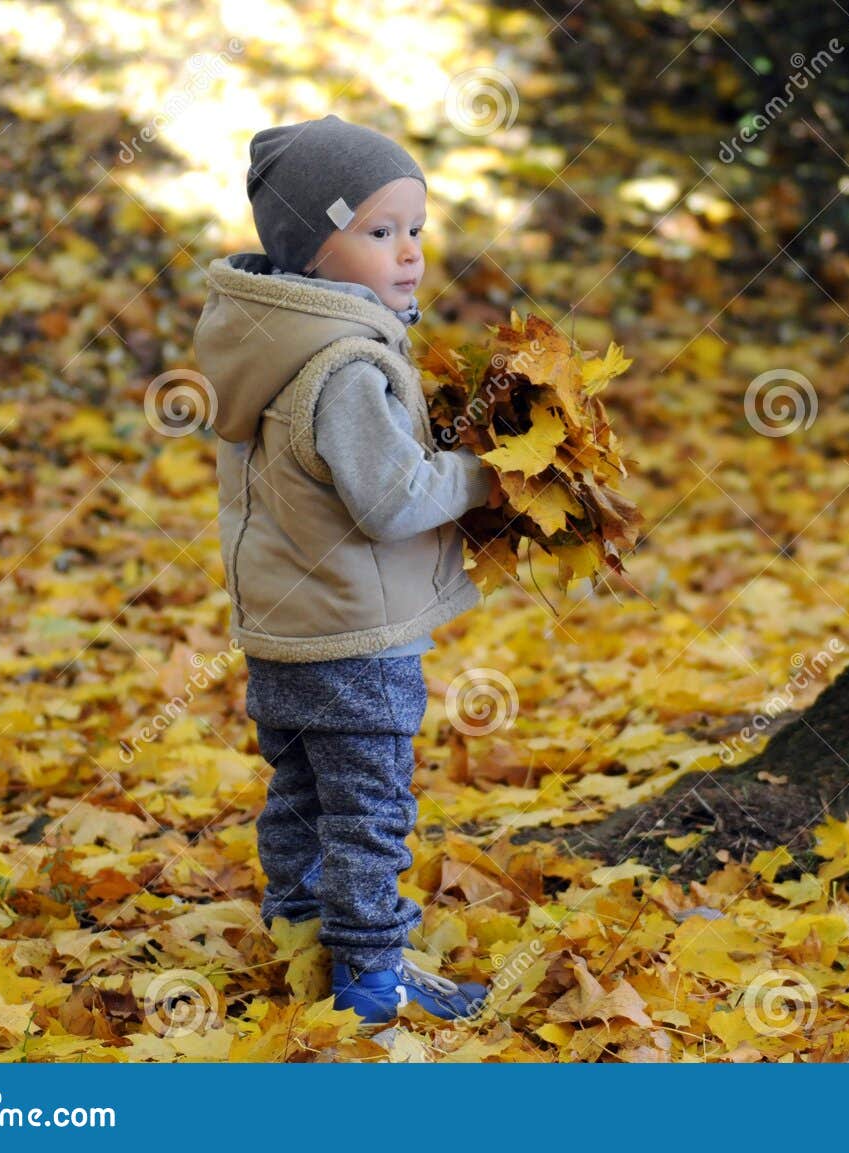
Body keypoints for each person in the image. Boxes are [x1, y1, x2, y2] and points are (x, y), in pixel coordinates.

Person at [193, 113, 500, 1023]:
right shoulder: (345, 366)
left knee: (300, 793)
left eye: (416, 229)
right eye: (377, 231)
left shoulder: (267, 344)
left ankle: (297, 935)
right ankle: (371, 974)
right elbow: (392, 499)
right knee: (367, 808)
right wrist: (487, 475)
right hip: (353, 638)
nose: (408, 253)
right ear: (314, 246)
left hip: (286, 629)